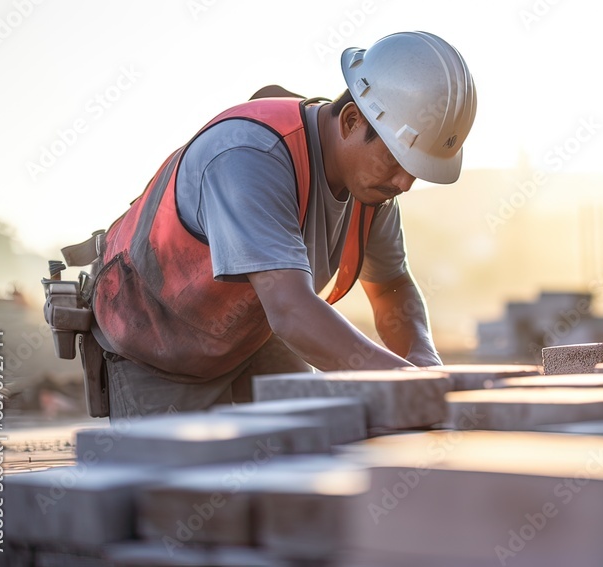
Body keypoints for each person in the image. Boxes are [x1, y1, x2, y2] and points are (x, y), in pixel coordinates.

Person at [84, 31, 477, 419]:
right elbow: (291, 313)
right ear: (352, 120)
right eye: (396, 161)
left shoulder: (374, 188)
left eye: (414, 169)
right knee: (186, 480)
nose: (404, 183)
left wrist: (423, 358)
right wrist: (402, 384)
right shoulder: (249, 157)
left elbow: (391, 286)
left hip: (253, 335)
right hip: (157, 343)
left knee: (311, 454)